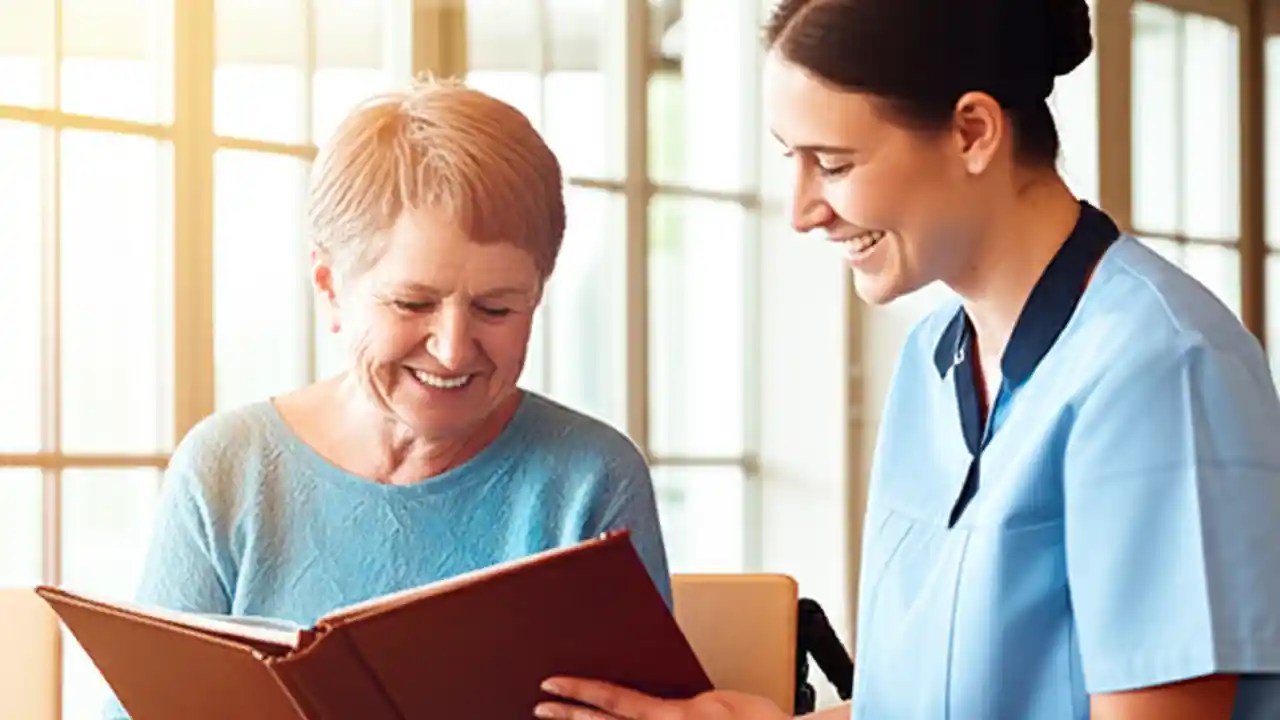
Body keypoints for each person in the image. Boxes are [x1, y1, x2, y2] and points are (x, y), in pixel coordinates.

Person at [535, 0, 1280, 718]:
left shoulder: (1162, 370)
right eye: (791, 160)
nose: (801, 210)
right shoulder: (933, 359)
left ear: (972, 132)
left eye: (832, 163)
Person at [101, 79, 671, 718]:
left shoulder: (591, 477)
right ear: (330, 287)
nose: (454, 349)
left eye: (496, 308)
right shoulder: (226, 468)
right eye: (412, 303)